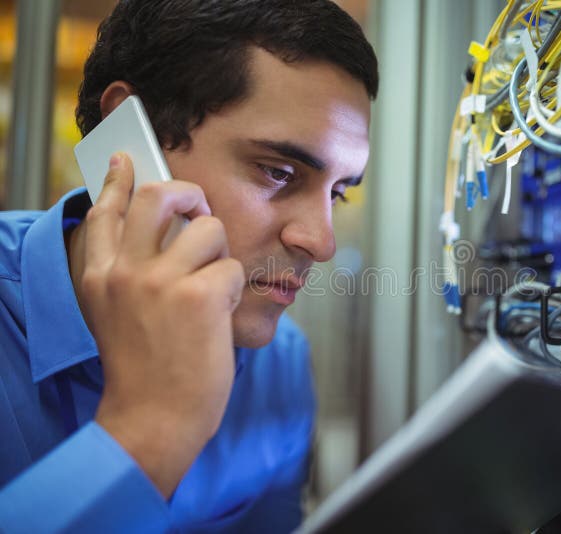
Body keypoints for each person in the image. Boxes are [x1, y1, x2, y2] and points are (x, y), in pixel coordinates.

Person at [0, 0, 378, 532]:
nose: (321, 242)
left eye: (337, 193)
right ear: (130, 139)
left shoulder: (279, 365)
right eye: (277, 172)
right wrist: (146, 431)